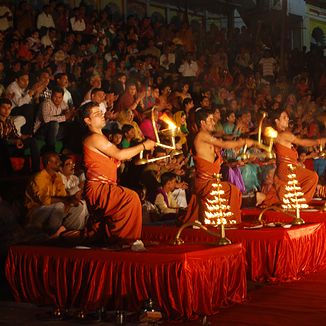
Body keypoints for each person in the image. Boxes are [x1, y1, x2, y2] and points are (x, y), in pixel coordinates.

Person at [61, 101, 155, 244]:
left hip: (105, 187)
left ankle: (63, 236)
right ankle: (126, 241)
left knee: (98, 231)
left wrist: (121, 158)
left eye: (101, 111)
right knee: (130, 199)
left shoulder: (102, 137)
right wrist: (143, 145)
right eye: (97, 113)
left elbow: (114, 159)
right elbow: (118, 154)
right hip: (99, 188)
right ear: (88, 120)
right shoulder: (93, 137)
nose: (102, 115)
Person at [180, 109, 255, 224]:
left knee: (231, 190)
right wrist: (243, 141)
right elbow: (224, 144)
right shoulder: (201, 135)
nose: (214, 123)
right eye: (210, 120)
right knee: (232, 191)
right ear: (202, 123)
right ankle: (228, 221)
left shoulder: (206, 136)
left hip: (212, 180)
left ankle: (222, 220)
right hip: (206, 182)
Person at [263, 109, 326, 206]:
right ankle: (298, 203)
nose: (288, 119)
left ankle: (291, 202)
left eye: (287, 117)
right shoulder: (284, 134)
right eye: (284, 117)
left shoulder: (276, 134)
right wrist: (318, 141)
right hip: (287, 169)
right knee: (312, 176)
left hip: (283, 169)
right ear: (277, 121)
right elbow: (303, 142)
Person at [25, 151, 88, 238]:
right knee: (59, 205)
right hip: (37, 211)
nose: (60, 162)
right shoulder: (38, 177)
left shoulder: (57, 177)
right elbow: (44, 200)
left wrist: (72, 199)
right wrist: (67, 199)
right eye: (57, 160)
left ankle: (69, 233)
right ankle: (53, 234)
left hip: (53, 209)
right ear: (49, 163)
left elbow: (63, 196)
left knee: (78, 205)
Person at [0, 98, 40, 175]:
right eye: (4, 108)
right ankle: (9, 171)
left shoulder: (9, 122)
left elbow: (15, 136)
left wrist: (22, 139)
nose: (7, 110)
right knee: (3, 142)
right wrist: (12, 141)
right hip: (2, 148)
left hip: (9, 147)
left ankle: (36, 169)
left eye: (9, 108)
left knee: (33, 140)